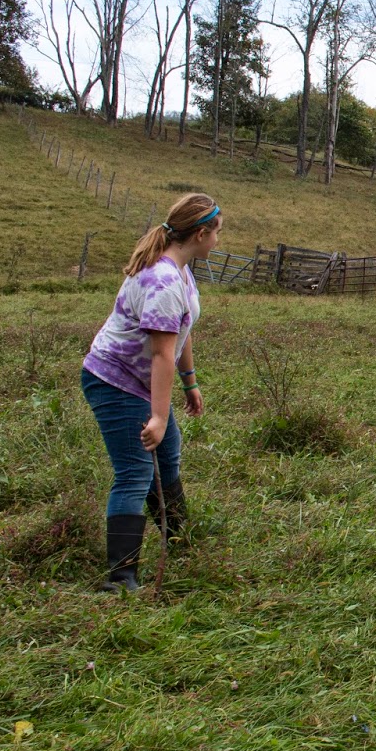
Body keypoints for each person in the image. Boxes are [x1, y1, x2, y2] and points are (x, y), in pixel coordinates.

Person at [80, 193, 222, 592]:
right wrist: (158, 416)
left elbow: (181, 330)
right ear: (200, 234)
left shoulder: (182, 271)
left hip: (139, 382)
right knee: (135, 472)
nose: (218, 241)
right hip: (116, 381)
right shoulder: (163, 280)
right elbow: (161, 354)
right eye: (217, 233)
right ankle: (120, 578)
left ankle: (178, 537)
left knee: (168, 453)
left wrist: (190, 382)